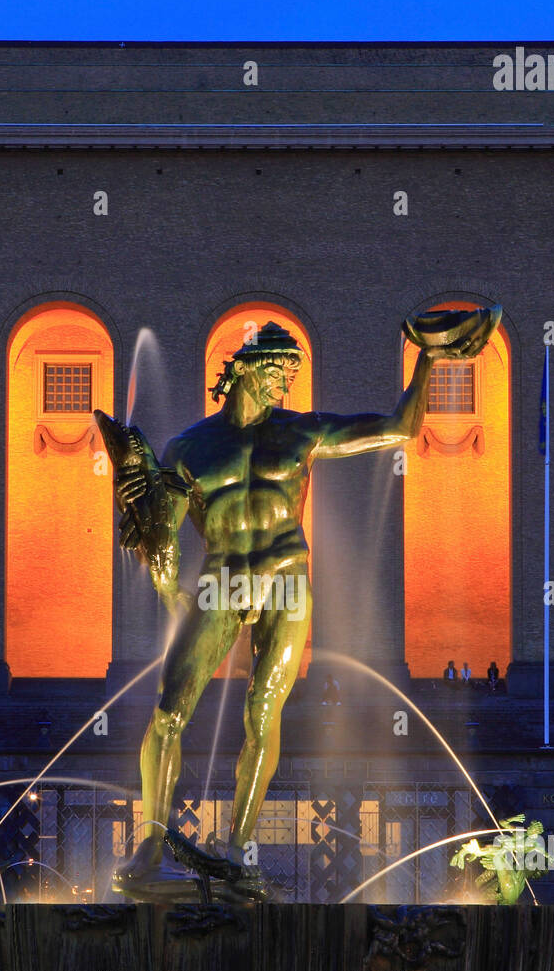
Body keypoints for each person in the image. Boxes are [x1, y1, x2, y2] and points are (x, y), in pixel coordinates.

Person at [108, 311, 500, 884]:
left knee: (261, 712)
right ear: (245, 369)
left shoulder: (302, 431)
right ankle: (150, 846)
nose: (287, 380)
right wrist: (144, 521)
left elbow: (398, 429)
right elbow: (159, 533)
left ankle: (237, 849)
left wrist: (428, 359)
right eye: (278, 369)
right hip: (221, 579)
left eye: (292, 370)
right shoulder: (187, 447)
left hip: (286, 578)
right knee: (169, 711)